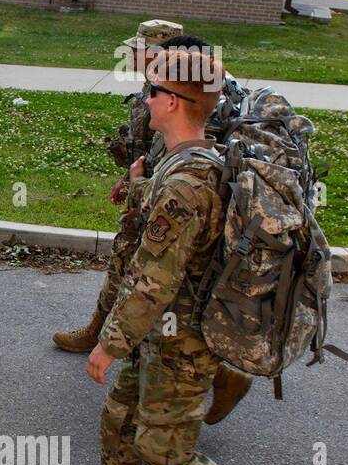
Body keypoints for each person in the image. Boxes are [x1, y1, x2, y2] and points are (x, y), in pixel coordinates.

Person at [64, 47, 312, 465]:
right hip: (168, 330)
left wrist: (109, 343)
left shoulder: (184, 182)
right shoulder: (196, 158)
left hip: (183, 339)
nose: (144, 100)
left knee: (166, 451)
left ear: (173, 102)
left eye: (151, 92)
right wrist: (136, 187)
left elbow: (155, 279)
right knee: (119, 418)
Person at [55, 27, 253, 423]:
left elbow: (188, 166)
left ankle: (215, 375)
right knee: (129, 272)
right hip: (151, 194)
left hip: (169, 208)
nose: (133, 57)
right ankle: (108, 335)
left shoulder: (187, 97)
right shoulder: (160, 93)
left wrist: (149, 191)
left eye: (143, 52)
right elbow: (153, 153)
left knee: (151, 285)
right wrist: (133, 183)